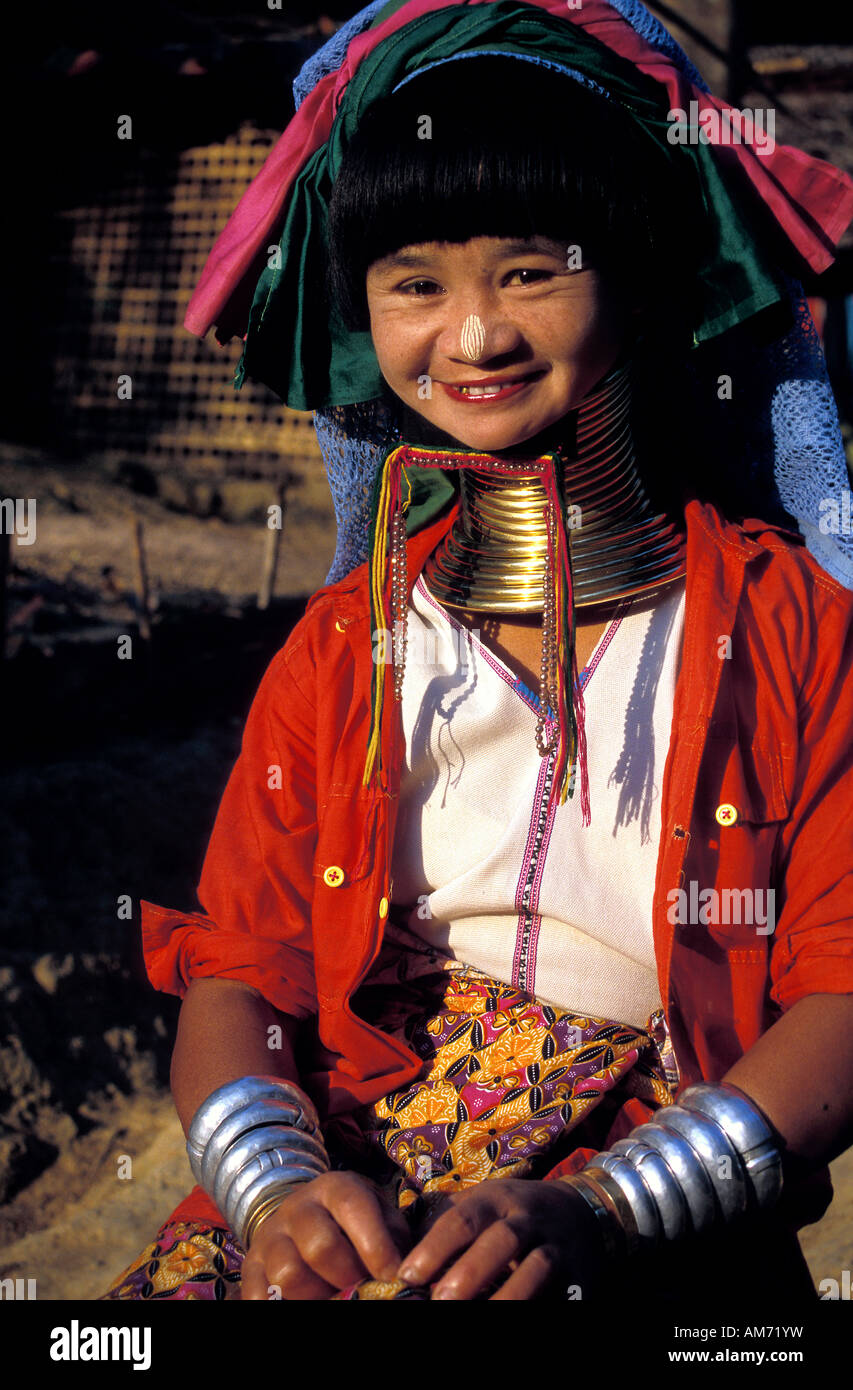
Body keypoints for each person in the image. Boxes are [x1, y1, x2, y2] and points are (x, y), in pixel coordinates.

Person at [103, 0, 853, 1302]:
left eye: (531, 271)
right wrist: (277, 1191)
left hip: (653, 1195)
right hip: (349, 1177)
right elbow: (244, 969)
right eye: (415, 285)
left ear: (638, 277)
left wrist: (608, 1208)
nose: (473, 337)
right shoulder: (344, 650)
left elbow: (844, 986)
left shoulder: (796, 635)